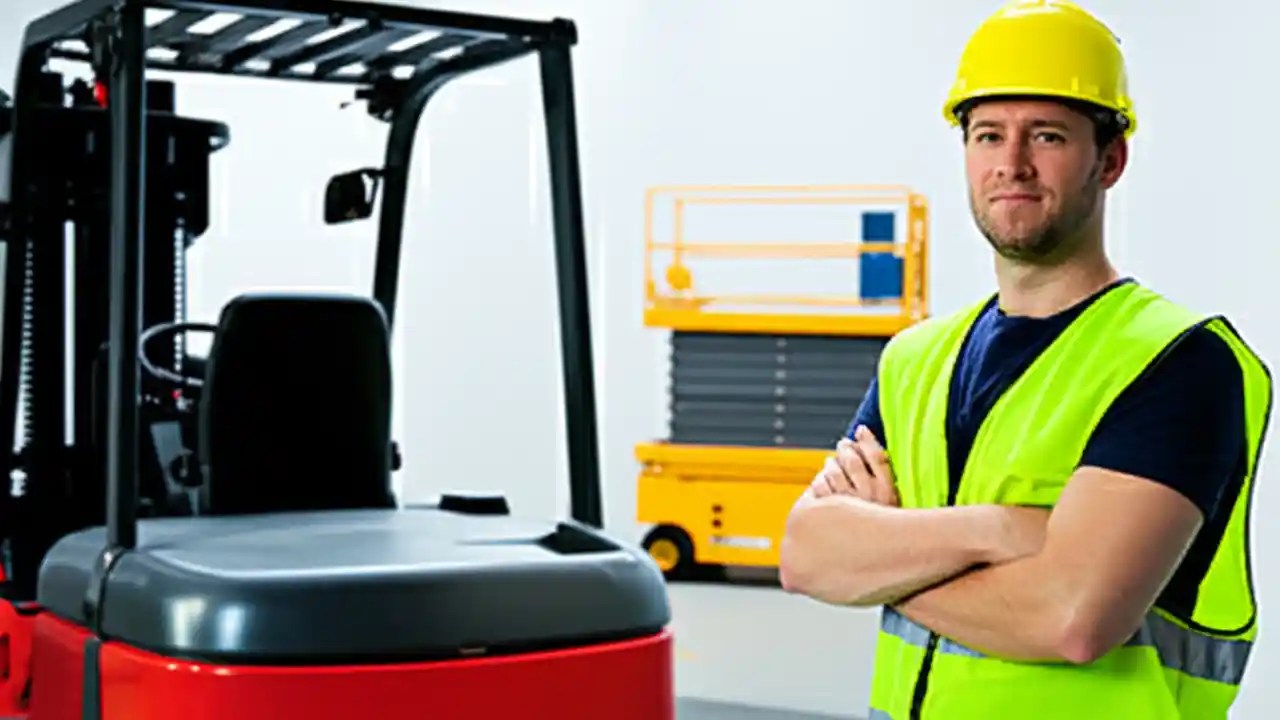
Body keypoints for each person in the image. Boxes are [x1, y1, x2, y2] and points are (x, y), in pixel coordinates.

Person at [777, 2, 1272, 719]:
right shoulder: (914, 359)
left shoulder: (1179, 362)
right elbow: (805, 555)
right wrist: (1001, 529)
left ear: (1111, 159)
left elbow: (1071, 620)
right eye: (987, 135)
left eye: (1045, 135)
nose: (1011, 164)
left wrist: (879, 563)